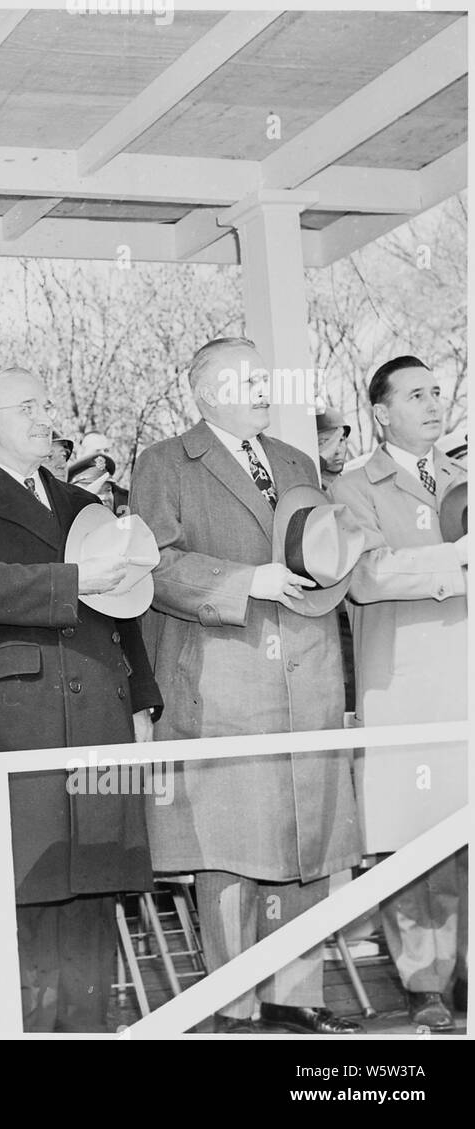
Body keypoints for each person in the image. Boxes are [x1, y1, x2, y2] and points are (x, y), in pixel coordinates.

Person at [130, 336, 362, 1035]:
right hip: (222, 676)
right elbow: (154, 564)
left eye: (266, 376)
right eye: (247, 378)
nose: (265, 388)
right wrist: (245, 581)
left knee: (309, 841)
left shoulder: (296, 462)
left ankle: (297, 994)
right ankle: (232, 1004)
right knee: (228, 850)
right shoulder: (165, 462)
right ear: (205, 392)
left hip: (308, 671)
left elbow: (325, 556)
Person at [0, 367, 163, 1032]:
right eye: (24, 406)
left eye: (44, 403)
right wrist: (77, 577)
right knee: (26, 884)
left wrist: (141, 695)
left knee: (93, 883)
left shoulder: (84, 502)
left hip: (101, 708)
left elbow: (126, 604)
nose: (41, 416)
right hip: (19, 718)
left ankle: (91, 1025)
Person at [330, 355, 468, 1030]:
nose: (433, 402)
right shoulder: (354, 486)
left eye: (437, 391)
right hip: (407, 689)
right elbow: (369, 576)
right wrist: (461, 559)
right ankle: (425, 985)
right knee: (415, 846)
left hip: (468, 685)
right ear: (381, 413)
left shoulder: (464, 480)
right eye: (416, 394)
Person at [316, 406, 351, 488]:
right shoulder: (310, 489)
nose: (337, 450)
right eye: (327, 443)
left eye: (341, 440)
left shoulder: (353, 485)